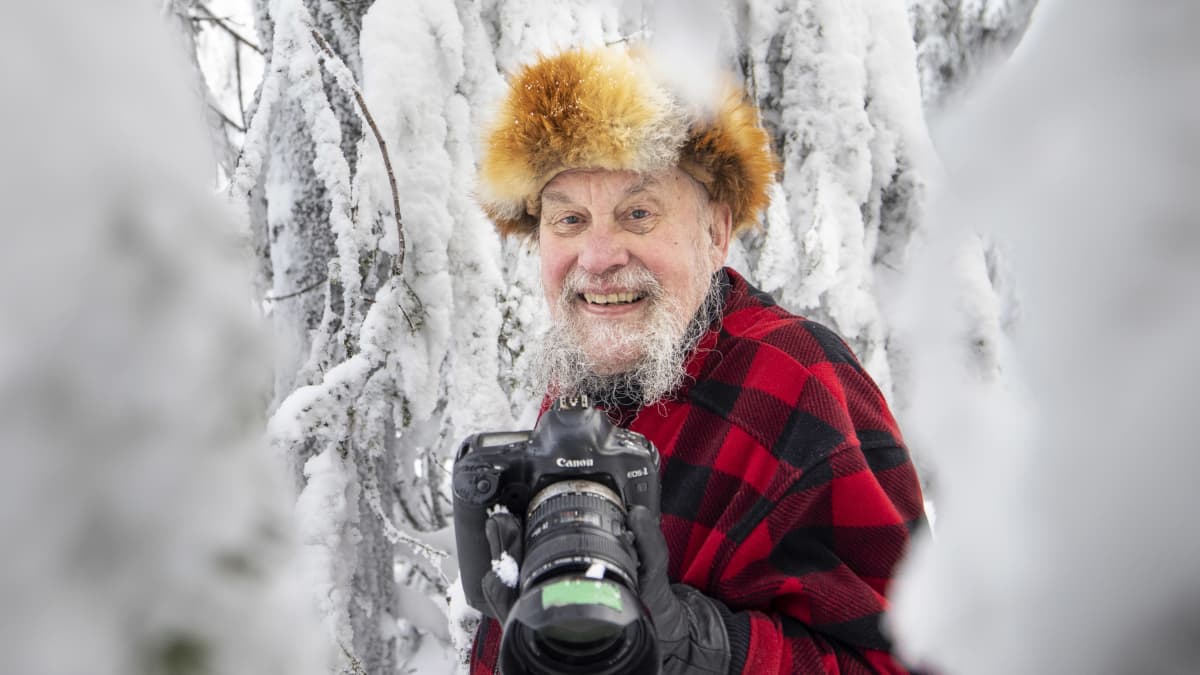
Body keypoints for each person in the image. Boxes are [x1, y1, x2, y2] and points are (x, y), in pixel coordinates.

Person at [467, 44, 927, 674]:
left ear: (716, 230)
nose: (598, 257)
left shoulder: (799, 382)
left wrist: (697, 642)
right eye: (569, 219)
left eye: (638, 213)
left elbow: (913, 661)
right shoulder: (587, 381)